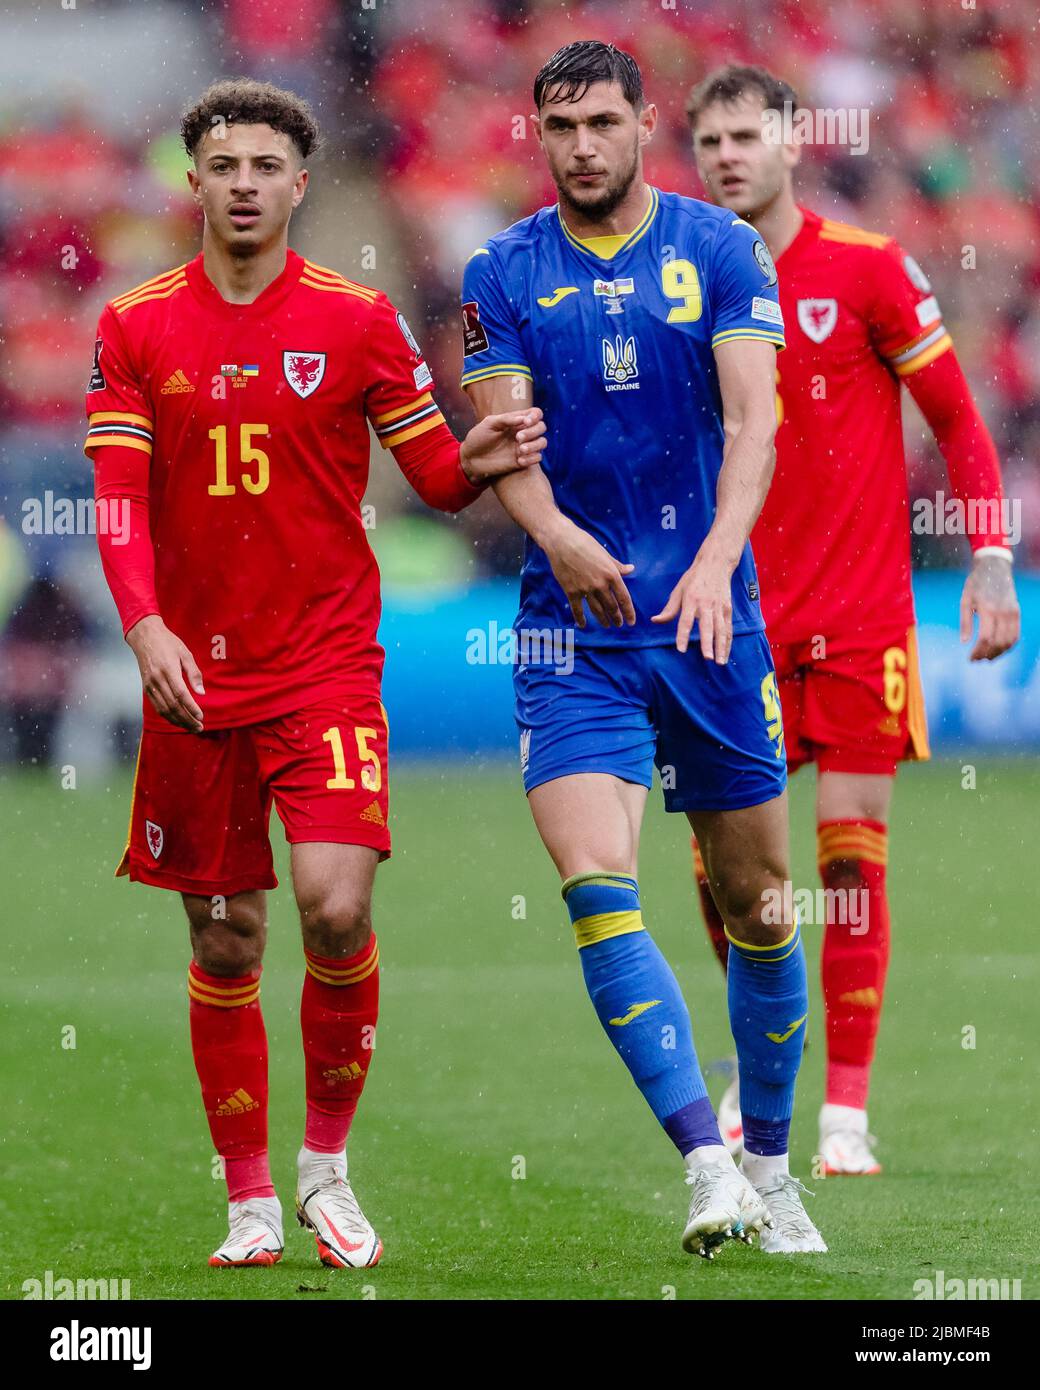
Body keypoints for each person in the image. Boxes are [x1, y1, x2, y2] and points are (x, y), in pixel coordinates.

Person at [83, 77, 546, 1270]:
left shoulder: (357, 320)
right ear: (195, 179)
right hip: (191, 672)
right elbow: (119, 504)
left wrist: (486, 456)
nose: (242, 183)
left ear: (298, 183)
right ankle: (245, 1198)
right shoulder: (136, 324)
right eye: (221, 163)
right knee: (227, 939)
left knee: (336, 906)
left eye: (263, 166)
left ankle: (325, 1168)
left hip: (325, 663)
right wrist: (144, 628)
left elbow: (436, 479)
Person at [462, 41, 825, 1256]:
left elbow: (752, 417)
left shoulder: (718, 248)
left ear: (640, 122)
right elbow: (499, 438)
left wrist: (721, 555)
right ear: (538, 132)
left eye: (601, 122)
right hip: (573, 632)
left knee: (760, 904)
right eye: (558, 126)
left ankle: (773, 1165)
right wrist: (558, 537)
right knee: (595, 884)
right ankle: (706, 1162)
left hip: (712, 619)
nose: (580, 146)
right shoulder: (500, 269)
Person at [686, 63, 1020, 1173]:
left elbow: (959, 425)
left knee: (843, 858)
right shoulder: (676, 280)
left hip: (861, 614)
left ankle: (840, 1111)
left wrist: (986, 555)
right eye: (709, 140)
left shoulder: (866, 270)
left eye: (746, 135)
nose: (726, 156)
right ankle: (755, 1070)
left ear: (791, 140)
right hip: (725, 618)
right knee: (728, 873)